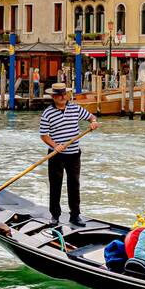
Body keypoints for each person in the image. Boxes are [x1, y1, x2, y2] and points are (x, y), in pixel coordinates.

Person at [39, 83, 98, 226]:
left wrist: (94, 122)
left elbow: (91, 117)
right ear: (53, 97)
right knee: (55, 185)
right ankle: (55, 216)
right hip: (56, 155)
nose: (62, 97)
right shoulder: (47, 113)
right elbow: (43, 135)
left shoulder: (75, 108)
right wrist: (55, 146)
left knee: (74, 185)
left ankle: (75, 216)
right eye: (59, 95)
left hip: (73, 154)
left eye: (64, 94)